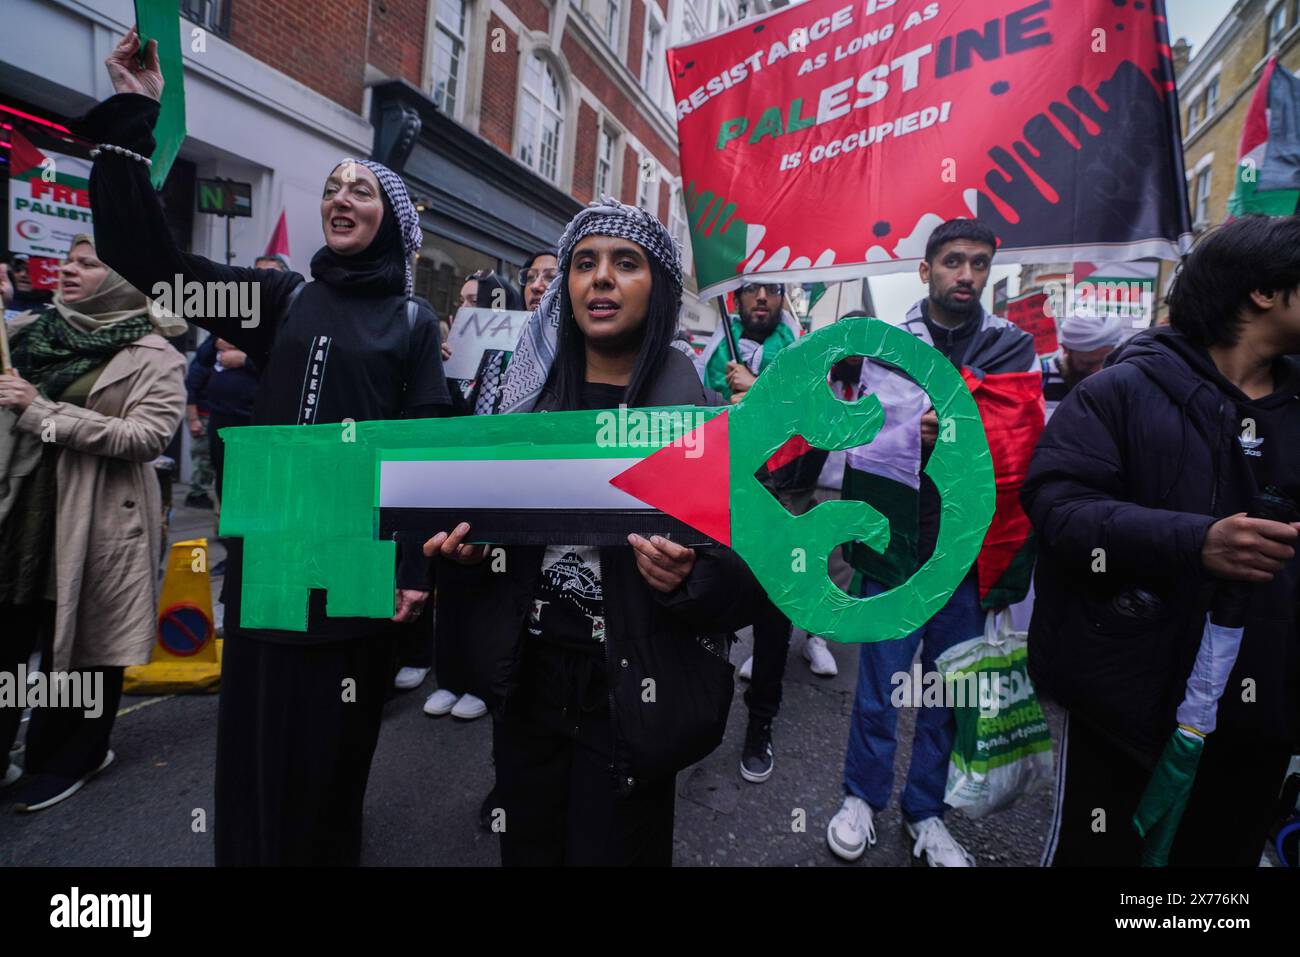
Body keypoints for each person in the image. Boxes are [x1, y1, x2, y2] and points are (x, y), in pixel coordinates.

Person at [84, 28, 451, 864]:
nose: (341, 197)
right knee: (256, 742)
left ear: (391, 221)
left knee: (331, 748)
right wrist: (135, 119)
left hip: (353, 563)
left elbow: (423, 451)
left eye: (362, 189)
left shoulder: (413, 322)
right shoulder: (283, 298)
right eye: (332, 187)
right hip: (269, 558)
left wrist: (412, 567)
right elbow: (152, 262)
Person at [427, 198, 762, 865]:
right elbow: (476, 534)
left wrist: (693, 577)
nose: (599, 278)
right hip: (531, 684)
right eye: (584, 263)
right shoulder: (525, 400)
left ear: (658, 288)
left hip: (634, 688)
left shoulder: (691, 411)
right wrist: (464, 557)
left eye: (625, 263)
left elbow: (751, 573)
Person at [1026, 215, 1300, 867]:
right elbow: (1058, 509)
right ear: (1262, 291)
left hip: (1259, 722)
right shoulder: (1123, 390)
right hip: (1130, 709)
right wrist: (1193, 541)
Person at [827, 218, 1039, 866]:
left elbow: (1023, 443)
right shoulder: (887, 347)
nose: (966, 275)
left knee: (946, 695)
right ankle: (861, 797)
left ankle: (926, 811)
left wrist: (956, 438)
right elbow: (852, 428)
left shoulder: (1012, 348)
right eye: (953, 261)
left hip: (966, 559)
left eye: (978, 263)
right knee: (880, 688)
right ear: (927, 269)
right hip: (895, 550)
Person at [0, 234, 187, 805]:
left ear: (121, 280)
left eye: (88, 263)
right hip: (17, 512)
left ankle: (69, 755)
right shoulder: (27, 333)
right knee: (7, 638)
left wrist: (40, 412)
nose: (69, 269)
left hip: (94, 519)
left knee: (75, 644)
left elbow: (146, 437)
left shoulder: (156, 354)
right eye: (68, 259)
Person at [696, 280, 838, 785]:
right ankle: (695, 714)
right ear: (736, 299)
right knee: (702, 610)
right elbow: (689, 409)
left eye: (771, 291)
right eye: (752, 290)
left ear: (783, 300)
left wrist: (764, 396)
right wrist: (723, 397)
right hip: (720, 504)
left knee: (775, 621)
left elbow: (822, 420)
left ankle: (760, 725)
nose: (761, 299)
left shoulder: (802, 354)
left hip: (783, 505)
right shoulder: (716, 350)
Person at [1041, 312, 1125, 411]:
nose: (1098, 370)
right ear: (1066, 349)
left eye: (1104, 361)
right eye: (1088, 363)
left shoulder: (1118, 381)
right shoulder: (1040, 380)